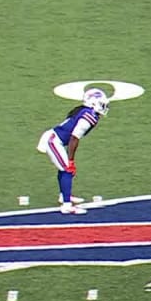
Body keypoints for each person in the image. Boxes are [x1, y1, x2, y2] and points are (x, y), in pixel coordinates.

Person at [36, 88, 110, 216]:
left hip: (54, 139)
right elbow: (74, 138)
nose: (104, 106)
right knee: (67, 169)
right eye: (101, 103)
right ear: (93, 103)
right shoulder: (89, 116)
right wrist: (71, 161)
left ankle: (64, 195)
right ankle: (66, 205)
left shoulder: (85, 111)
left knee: (64, 168)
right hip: (53, 141)